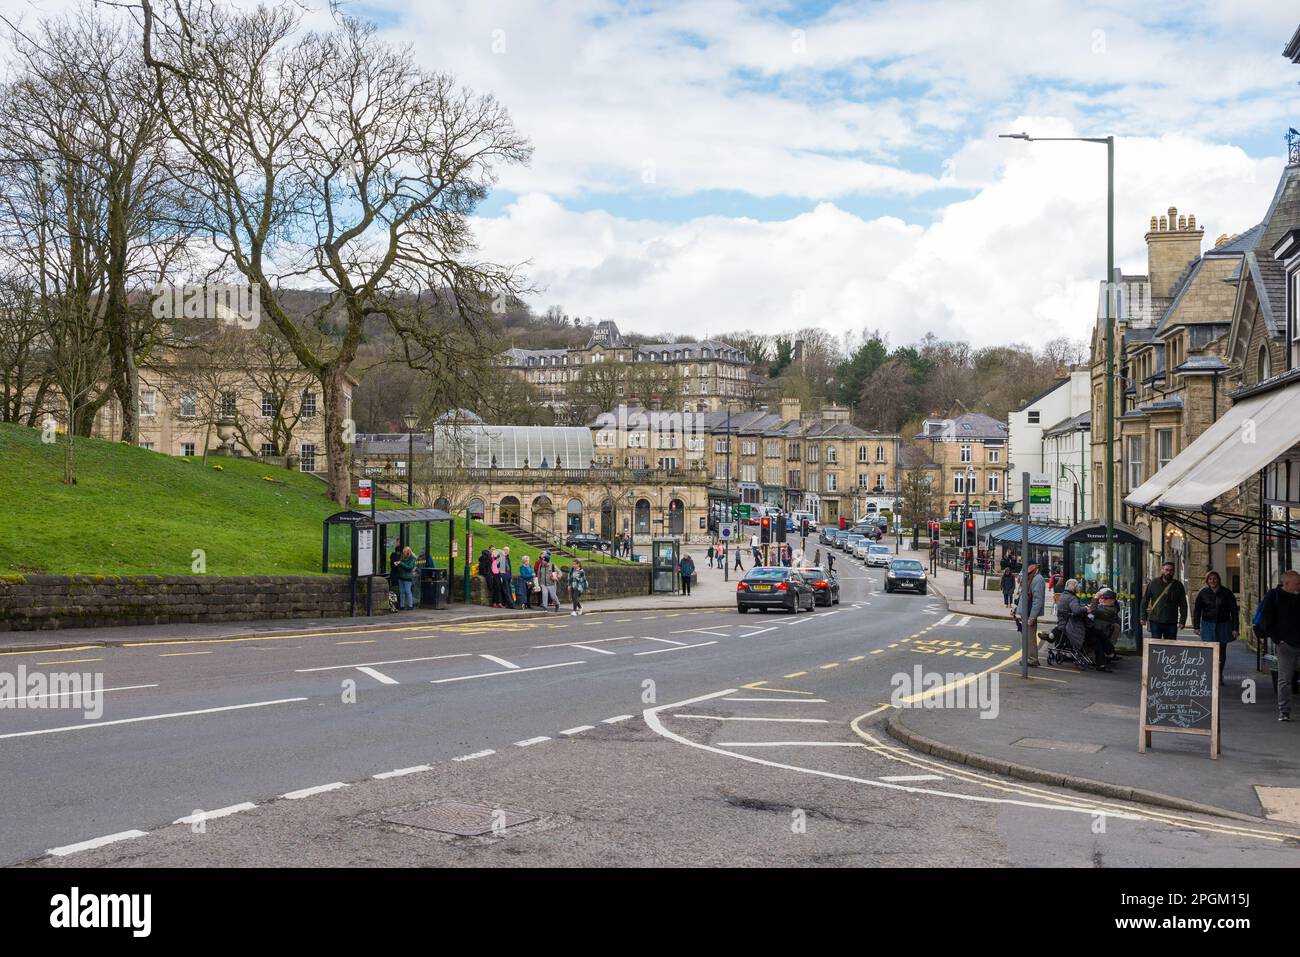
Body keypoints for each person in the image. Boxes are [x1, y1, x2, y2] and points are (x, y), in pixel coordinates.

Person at [1263, 570, 1300, 721]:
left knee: (1285, 679)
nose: (1299, 585)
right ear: (1286, 583)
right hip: (1286, 645)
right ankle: (1284, 711)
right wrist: (1278, 639)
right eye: (1297, 583)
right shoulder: (1274, 596)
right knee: (1285, 679)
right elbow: (1267, 620)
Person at [1192, 571, 1238, 685]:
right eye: (1210, 579)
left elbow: (1234, 611)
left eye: (1215, 579)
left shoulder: (1226, 593)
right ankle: (1210, 675)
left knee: (1221, 651)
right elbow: (1197, 611)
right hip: (1208, 625)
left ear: (1218, 580)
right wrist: (1196, 626)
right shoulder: (1203, 593)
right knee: (1210, 651)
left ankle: (1219, 675)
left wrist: (1235, 628)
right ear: (1207, 581)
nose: (1212, 581)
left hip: (1223, 624)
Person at [1058, 578, 1108, 671]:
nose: (1079, 587)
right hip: (1073, 628)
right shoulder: (1072, 598)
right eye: (1078, 586)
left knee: (1098, 635)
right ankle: (1103, 662)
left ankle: (1105, 657)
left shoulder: (1063, 596)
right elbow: (1076, 610)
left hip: (1065, 625)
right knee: (1098, 636)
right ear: (1074, 587)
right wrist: (1085, 608)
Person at [1141, 561, 1187, 652]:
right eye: (1166, 570)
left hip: (1171, 621)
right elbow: (1145, 600)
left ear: (1173, 572)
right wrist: (1143, 617)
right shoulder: (1153, 583)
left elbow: (1183, 605)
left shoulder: (1178, 586)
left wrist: (1182, 621)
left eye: (1171, 570)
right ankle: (1155, 664)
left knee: (1171, 646)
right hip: (1155, 620)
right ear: (1162, 570)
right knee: (1155, 646)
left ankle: (1169, 664)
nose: (1168, 572)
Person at [1023, 563, 1045, 667]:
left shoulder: (1037, 579)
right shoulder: (1031, 577)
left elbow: (1038, 600)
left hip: (1030, 613)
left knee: (1030, 637)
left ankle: (1032, 659)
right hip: (1026, 612)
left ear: (1032, 567)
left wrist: (1032, 617)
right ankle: (1029, 658)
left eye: (1027, 566)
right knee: (1027, 637)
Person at [396, 546, 416, 610]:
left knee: (408, 591)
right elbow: (401, 564)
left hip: (408, 577)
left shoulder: (412, 559)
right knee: (401, 591)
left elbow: (409, 567)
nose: (403, 553)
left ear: (408, 552)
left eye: (404, 552)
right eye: (403, 552)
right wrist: (397, 564)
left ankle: (410, 606)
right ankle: (402, 606)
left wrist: (401, 563)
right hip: (401, 576)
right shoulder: (402, 557)